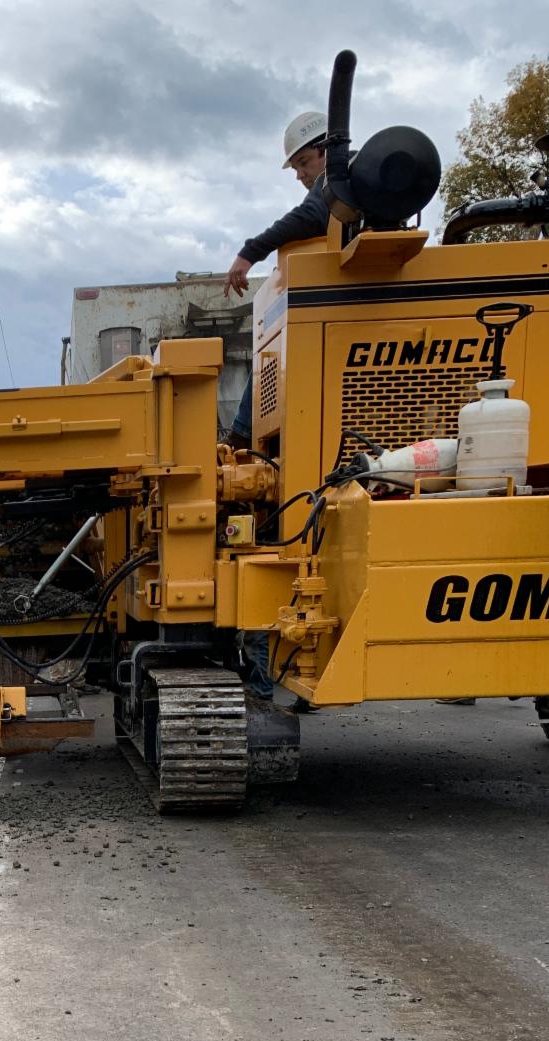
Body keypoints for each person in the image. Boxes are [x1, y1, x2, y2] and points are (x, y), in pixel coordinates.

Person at [226, 111, 331, 708]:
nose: (296, 176)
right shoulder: (343, 193)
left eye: (298, 164)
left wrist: (249, 251)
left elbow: (312, 215)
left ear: (320, 153)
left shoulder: (339, 188)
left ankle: (266, 681)